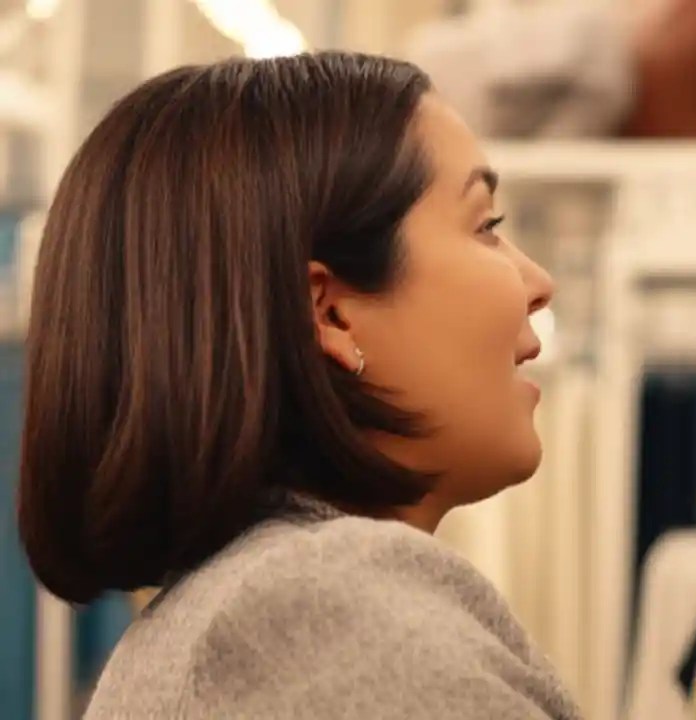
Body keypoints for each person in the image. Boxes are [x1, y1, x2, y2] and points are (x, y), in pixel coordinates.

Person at [17, 52, 581, 719]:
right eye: (486, 227)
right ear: (329, 312)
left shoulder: (232, 615)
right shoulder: (316, 611)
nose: (538, 282)